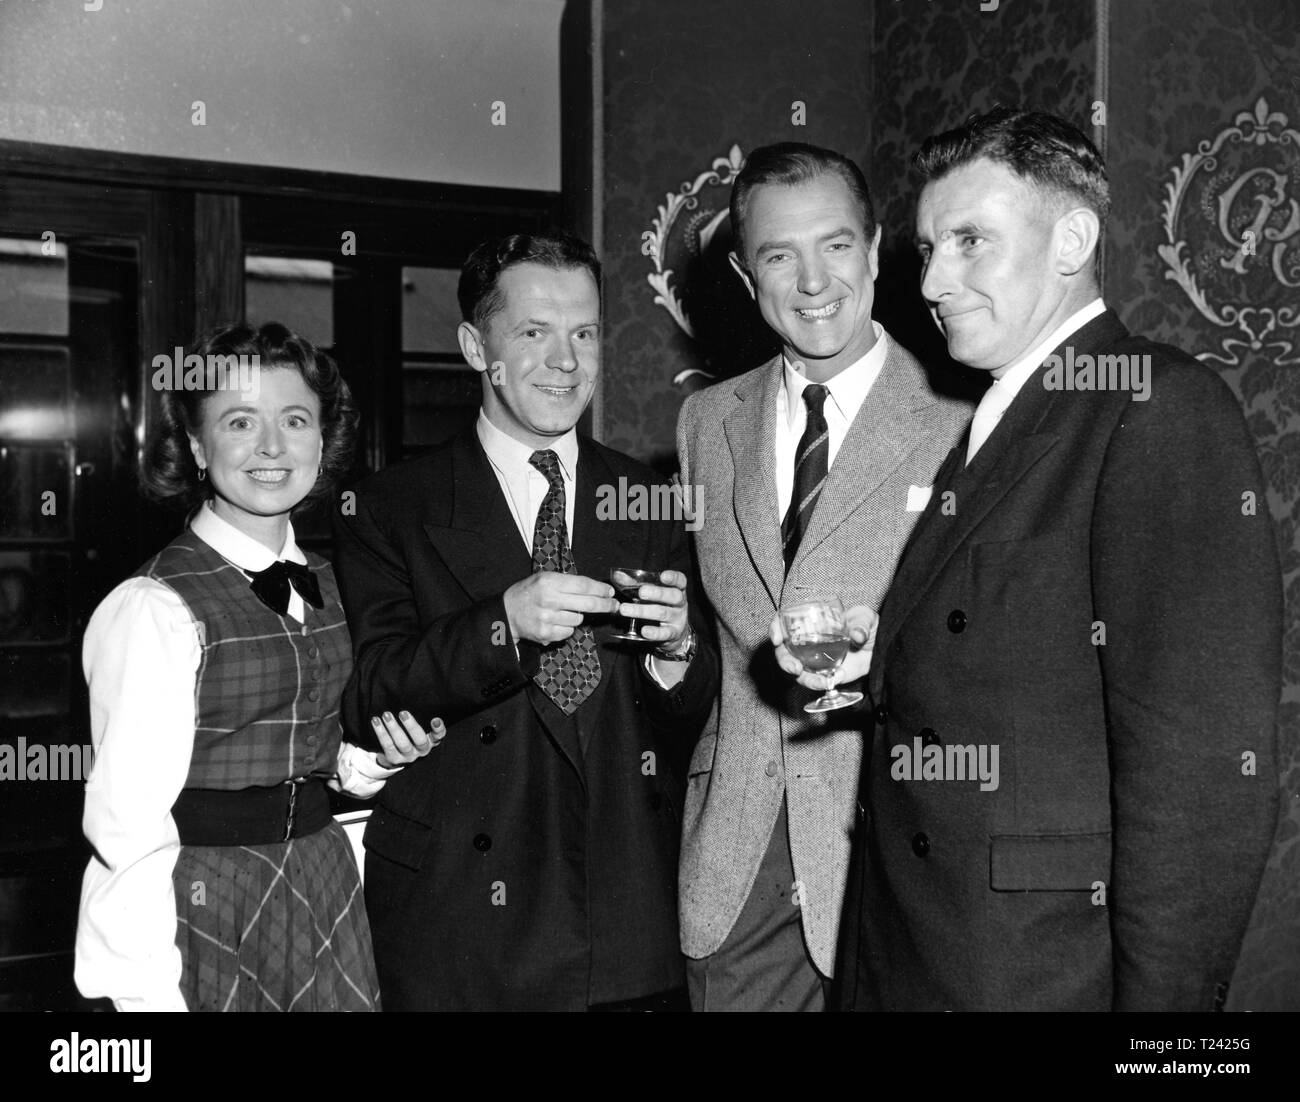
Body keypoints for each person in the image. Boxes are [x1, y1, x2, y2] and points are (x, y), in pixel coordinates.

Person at [827, 107, 1282, 1010]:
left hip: (1033, 972)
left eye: (970, 241)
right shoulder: (1000, 418)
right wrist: (880, 659)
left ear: (1072, 238)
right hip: (921, 947)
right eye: (928, 248)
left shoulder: (1156, 408)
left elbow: (1198, 783)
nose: (933, 280)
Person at [333, 229, 719, 1011]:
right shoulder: (390, 507)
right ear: (478, 348)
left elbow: (693, 717)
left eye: (583, 333)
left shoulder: (649, 495)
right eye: (534, 334)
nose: (567, 362)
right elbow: (373, 693)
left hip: (625, 914)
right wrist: (502, 621)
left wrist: (679, 649)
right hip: (463, 921)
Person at [676, 142, 970, 1011]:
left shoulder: (967, 416)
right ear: (742, 272)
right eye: (779, 255)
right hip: (742, 864)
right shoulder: (704, 423)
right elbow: (712, 642)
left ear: (877, 249)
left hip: (903, 854)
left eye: (836, 245)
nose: (813, 282)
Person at [75, 322, 441, 1012]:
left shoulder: (339, 584)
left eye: (295, 420)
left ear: (322, 440)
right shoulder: (152, 606)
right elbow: (126, 827)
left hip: (324, 882)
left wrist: (382, 756)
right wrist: (145, 997)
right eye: (240, 422)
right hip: (202, 902)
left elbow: (329, 757)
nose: (272, 446)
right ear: (194, 446)